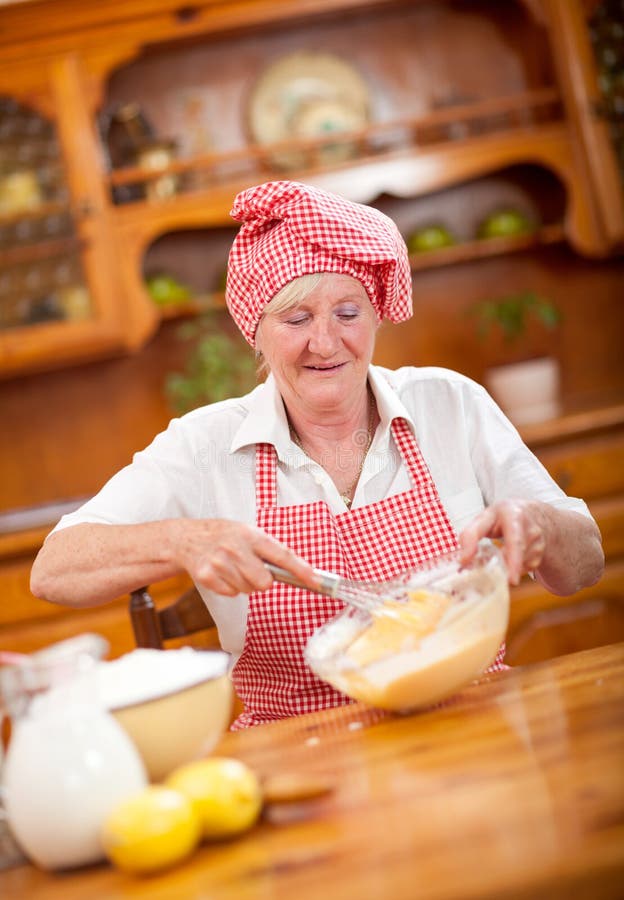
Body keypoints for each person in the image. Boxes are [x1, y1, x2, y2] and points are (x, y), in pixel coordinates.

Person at [31, 180, 604, 728]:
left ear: (377, 313)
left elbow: (586, 565)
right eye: (297, 319)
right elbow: (55, 570)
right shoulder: (203, 448)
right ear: (255, 331)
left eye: (348, 314)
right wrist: (183, 540)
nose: (325, 343)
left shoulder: (449, 405)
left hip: (473, 720)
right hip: (301, 753)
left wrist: (542, 527)